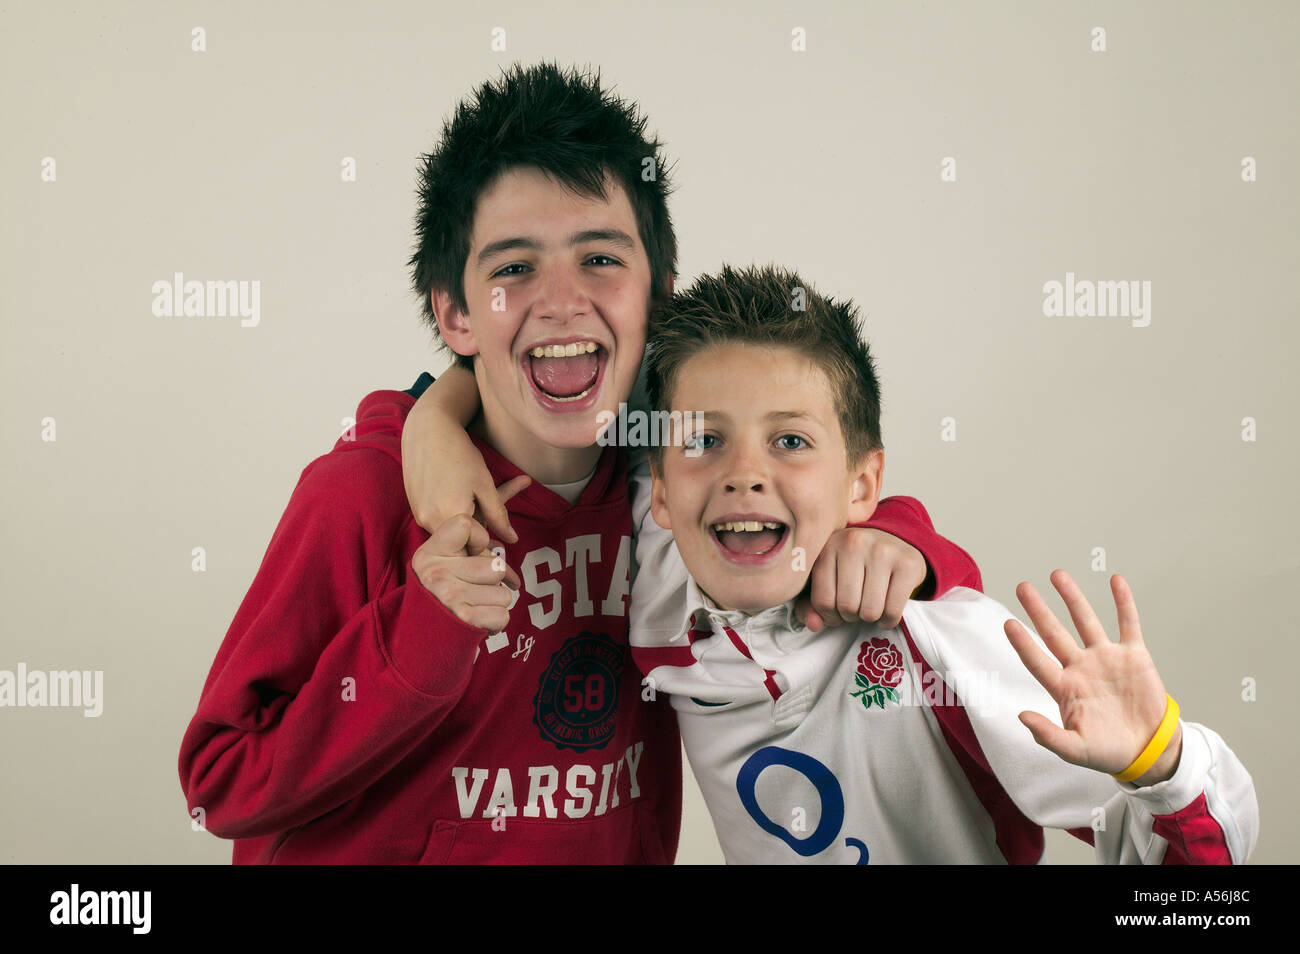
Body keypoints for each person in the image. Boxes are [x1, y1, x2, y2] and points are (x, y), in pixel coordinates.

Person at [178, 62, 977, 864]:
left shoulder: (673, 481)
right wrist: (420, 631)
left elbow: (821, 483)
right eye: (513, 268)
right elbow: (219, 784)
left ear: (657, 297)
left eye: (599, 258)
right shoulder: (360, 495)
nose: (561, 300)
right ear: (454, 313)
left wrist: (899, 542)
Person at [628, 263, 1258, 864]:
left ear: (862, 485)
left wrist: (1160, 764)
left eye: (790, 441)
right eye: (705, 440)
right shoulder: (659, 580)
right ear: (659, 489)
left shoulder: (939, 647)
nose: (742, 474)